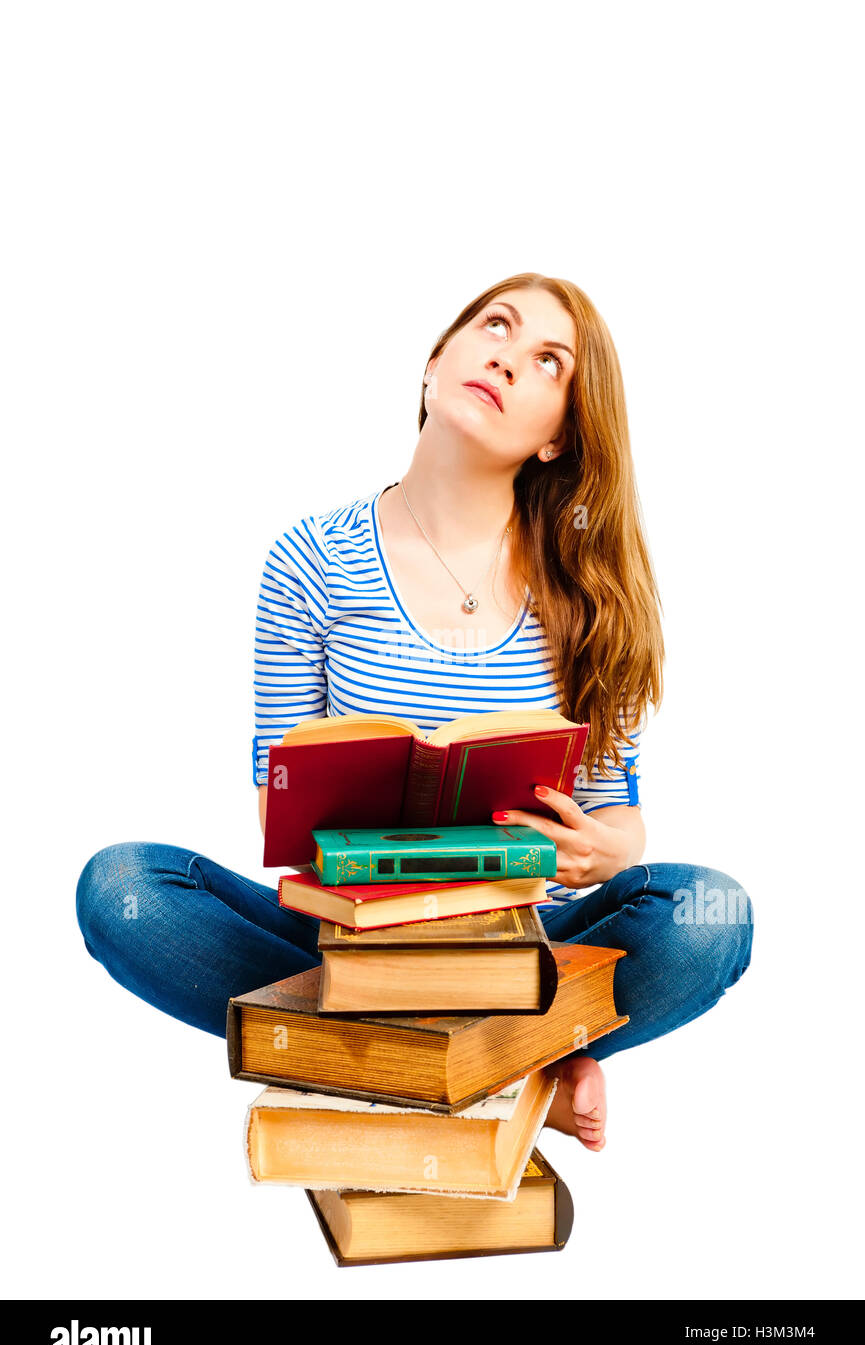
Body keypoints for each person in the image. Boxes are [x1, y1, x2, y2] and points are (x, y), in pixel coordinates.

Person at [75, 272, 753, 1154]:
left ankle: (421, 1060)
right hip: (348, 945)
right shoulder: (310, 560)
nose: (509, 357)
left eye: (548, 362)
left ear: (558, 436)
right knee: (122, 888)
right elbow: (276, 813)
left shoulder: (585, 592)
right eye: (496, 327)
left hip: (520, 949)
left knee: (712, 912)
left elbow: (615, 817)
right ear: (436, 361)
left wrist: (609, 847)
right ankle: (518, 1070)